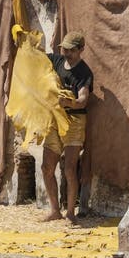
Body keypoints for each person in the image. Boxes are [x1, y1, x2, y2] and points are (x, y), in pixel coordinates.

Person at [41, 32, 93, 223]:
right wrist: (24, 41)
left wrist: (70, 102)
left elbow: (83, 100)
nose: (67, 53)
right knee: (47, 167)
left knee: (70, 169)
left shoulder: (84, 73)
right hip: (55, 119)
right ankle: (55, 210)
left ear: (81, 50)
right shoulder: (56, 61)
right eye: (65, 49)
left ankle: (70, 213)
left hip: (74, 122)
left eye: (71, 50)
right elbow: (35, 57)